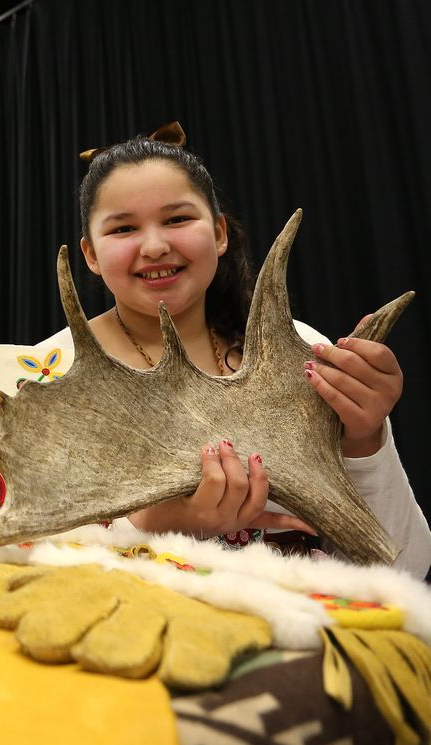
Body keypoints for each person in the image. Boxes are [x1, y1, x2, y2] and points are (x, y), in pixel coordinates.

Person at [39, 133, 431, 578]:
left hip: (294, 635)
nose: (153, 247)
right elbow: (18, 567)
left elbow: (406, 569)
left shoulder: (298, 356)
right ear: (90, 253)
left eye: (177, 219)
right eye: (124, 228)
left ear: (219, 233)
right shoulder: (46, 373)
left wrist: (364, 439)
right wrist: (151, 525)